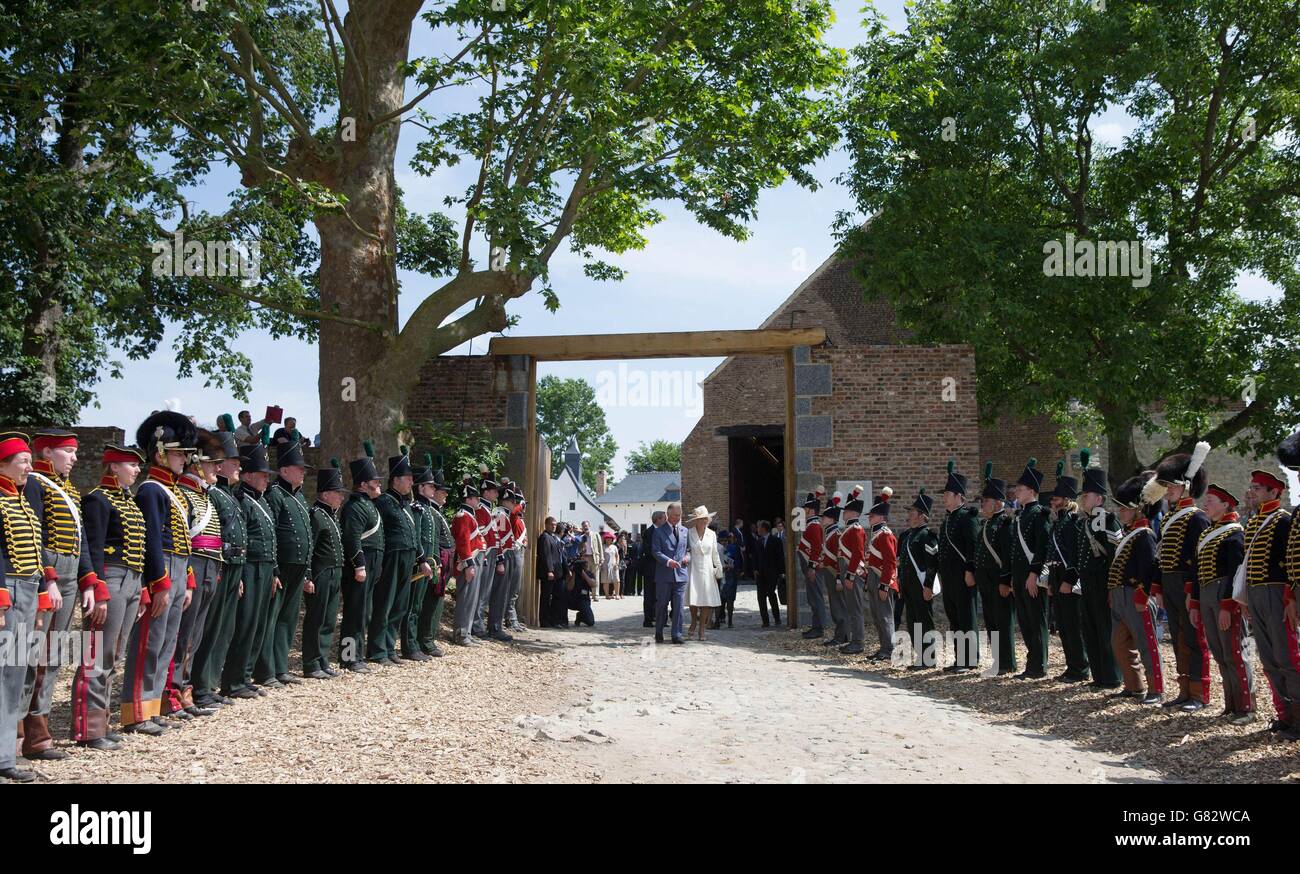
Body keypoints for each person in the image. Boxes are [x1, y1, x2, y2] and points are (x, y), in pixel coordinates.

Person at [20, 429, 97, 760]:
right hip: (47, 573)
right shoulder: (36, 483)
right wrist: (46, 580)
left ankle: (41, 729)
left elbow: (82, 542)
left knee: (52, 657)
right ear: (47, 453)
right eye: (68, 451)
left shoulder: (70, 491)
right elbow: (35, 536)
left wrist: (88, 582)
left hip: (68, 576)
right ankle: (24, 735)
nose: (75, 457)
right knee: (30, 656)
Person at [122, 412, 196, 733]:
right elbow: (151, 540)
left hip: (179, 567)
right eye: (180, 453)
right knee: (149, 643)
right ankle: (136, 711)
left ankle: (154, 707)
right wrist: (159, 582)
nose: (185, 460)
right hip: (162, 569)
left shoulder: (173, 490)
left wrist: (187, 579)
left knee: (167, 641)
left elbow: (184, 540)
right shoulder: (152, 490)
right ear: (161, 453)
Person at [71, 444, 145, 750]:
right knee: (97, 653)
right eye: (132, 465)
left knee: (114, 654)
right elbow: (93, 547)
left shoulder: (128, 502)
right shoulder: (97, 500)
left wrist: (139, 587)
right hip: (111, 579)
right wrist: (98, 588)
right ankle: (88, 729)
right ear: (113, 467)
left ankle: (101, 722)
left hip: (131, 579)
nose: (138, 470)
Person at [1148, 442, 1213, 711]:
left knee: (1194, 638)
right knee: (1177, 637)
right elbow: (1161, 555)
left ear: (1185, 486)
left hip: (1187, 584)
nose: (1168, 492)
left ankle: (1199, 692)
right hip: (1169, 582)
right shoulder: (1167, 519)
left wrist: (1191, 591)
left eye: (1173, 487)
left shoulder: (1196, 518)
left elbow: (1198, 560)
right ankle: (1184, 690)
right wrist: (1159, 587)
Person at [0, 433, 50, 781]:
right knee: (6, 675)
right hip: (10, 590)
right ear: (2, 464)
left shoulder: (21, 500)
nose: (29, 467)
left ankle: (5, 754)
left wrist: (43, 593)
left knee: (16, 674)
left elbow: (34, 551)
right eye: (22, 461)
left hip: (28, 590)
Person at [165, 429, 225, 718]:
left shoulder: (204, 496)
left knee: (195, 634)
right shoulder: (185, 494)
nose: (217, 469)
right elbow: (184, 541)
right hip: (193, 566)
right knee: (183, 633)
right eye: (212, 464)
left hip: (209, 567)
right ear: (197, 464)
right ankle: (172, 691)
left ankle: (185, 687)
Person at [190, 421, 245, 709]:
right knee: (209, 628)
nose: (238, 468)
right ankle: (200, 685)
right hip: (215, 566)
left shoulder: (228, 495)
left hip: (228, 565)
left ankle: (209, 684)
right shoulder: (213, 494)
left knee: (222, 629)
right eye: (232, 462)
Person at [1187, 483, 1252, 723]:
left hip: (1223, 594)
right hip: (1206, 595)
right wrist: (1195, 603)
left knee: (1235, 652)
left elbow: (1235, 573)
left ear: (1226, 505)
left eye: (1212, 500)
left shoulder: (1234, 533)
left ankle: (1246, 706)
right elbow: (1197, 571)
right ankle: (1231, 704)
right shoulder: (1207, 534)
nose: (1206, 503)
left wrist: (1228, 606)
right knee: (1220, 653)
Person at [220, 440, 279, 699]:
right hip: (249, 567)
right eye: (263, 475)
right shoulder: (240, 499)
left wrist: (275, 571)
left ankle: (245, 676)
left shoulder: (262, 501)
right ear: (249, 476)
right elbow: (239, 538)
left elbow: (271, 538)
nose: (267, 480)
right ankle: (233, 681)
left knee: (257, 625)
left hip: (265, 568)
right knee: (244, 625)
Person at [1241, 467, 1295, 737]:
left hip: (1276, 593)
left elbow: (1291, 564)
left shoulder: (1283, 521)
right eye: (1252, 487)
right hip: (1257, 594)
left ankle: (1298, 719)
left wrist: (1289, 597)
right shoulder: (1253, 522)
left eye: (1258, 488)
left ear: (1274, 492)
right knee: (1269, 659)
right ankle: (1283, 714)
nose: (1252, 491)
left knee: (1287, 657)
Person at [256, 438, 312, 688]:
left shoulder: (300, 497)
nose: (303, 472)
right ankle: (266, 670)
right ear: (285, 470)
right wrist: (275, 568)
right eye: (299, 468)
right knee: (272, 618)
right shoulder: (275, 494)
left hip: (299, 565)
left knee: (288, 618)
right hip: (282, 566)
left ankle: (281, 666)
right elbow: (271, 532)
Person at [1108, 472, 1165, 705]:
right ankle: (1134, 686)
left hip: (1136, 595)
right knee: (1119, 643)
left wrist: (1142, 594)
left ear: (1138, 510)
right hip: (1120, 596)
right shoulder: (1130, 534)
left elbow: (1149, 568)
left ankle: (1156, 689)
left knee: (1146, 645)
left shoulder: (1144, 535)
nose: (1120, 512)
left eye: (1124, 508)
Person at [368, 447, 425, 663]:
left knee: (400, 605)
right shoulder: (383, 502)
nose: (412, 483)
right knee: (385, 604)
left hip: (408, 557)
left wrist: (421, 560)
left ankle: (390, 648)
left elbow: (414, 534)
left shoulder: (406, 504)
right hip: (392, 558)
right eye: (408, 478)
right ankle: (377, 650)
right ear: (396, 480)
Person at [1074, 450, 1121, 689]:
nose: (1083, 498)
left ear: (1099, 499)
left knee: (1104, 628)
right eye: (1082, 495)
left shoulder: (1108, 520)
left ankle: (1112, 676)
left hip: (1103, 580)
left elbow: (1116, 554)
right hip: (1087, 582)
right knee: (1090, 628)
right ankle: (1098, 675)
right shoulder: (1085, 521)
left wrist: (1113, 585)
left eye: (1087, 495)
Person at [339, 443, 384, 667]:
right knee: (354, 614)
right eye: (375, 482)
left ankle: (357, 654)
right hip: (361, 564)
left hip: (372, 563)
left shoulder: (369, 504)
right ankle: (348, 657)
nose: (379, 485)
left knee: (364, 612)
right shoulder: (355, 507)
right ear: (364, 484)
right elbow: (352, 538)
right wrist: (359, 565)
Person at [303, 459, 347, 678]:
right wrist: (308, 576)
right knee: (316, 619)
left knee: (329, 619)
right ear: (326, 494)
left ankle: (322, 660)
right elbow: (310, 548)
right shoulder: (317, 515)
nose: (341, 497)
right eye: (338, 492)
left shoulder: (331, 515)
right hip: (321, 574)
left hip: (334, 573)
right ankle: (311, 663)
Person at [1047, 462, 1089, 683]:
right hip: (1057, 575)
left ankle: (1080, 667)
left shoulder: (1072, 522)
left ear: (1066, 500)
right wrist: (1053, 581)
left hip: (1068, 577)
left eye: (1055, 499)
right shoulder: (1060, 522)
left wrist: (1069, 580)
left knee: (1072, 625)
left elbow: (1074, 554)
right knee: (1063, 625)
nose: (1052, 502)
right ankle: (1072, 665)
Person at [1010, 458, 1051, 680]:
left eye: (1021, 489)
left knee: (1036, 621)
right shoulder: (1021, 515)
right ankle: (1031, 663)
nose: (1016, 492)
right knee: (1025, 622)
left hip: (1031, 577)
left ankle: (1039, 664)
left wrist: (1034, 574)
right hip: (1020, 577)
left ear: (1032, 491)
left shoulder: (1039, 514)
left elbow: (1041, 546)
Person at [975, 464, 1016, 675]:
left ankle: (1007, 662)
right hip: (986, 579)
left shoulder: (1005, 524)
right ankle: (998, 660)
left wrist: (1005, 581)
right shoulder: (987, 524)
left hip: (998, 578)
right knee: (991, 620)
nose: (983, 505)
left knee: (1002, 620)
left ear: (999, 502)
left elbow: (1008, 556)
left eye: (987, 501)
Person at [939, 461, 979, 671]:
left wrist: (970, 571)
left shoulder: (967, 517)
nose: (944, 497)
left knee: (966, 618)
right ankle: (959, 658)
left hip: (963, 575)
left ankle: (970, 659)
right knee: (954, 618)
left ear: (958, 496)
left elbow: (973, 546)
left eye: (947, 494)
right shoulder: (947, 520)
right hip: (949, 576)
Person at [407, 461, 446, 658]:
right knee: (413, 606)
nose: (434, 489)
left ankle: (419, 643)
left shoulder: (430, 510)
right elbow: (417, 538)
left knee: (420, 605)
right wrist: (422, 560)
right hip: (419, 564)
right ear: (421, 487)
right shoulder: (417, 508)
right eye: (430, 486)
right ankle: (410, 646)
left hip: (429, 564)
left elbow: (434, 539)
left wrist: (436, 561)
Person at [896, 490, 937, 668]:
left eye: (912, 512)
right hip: (907, 586)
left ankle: (929, 659)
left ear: (921, 516)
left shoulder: (928, 536)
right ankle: (921, 656)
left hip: (921, 586)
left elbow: (932, 564)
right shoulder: (906, 536)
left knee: (924, 622)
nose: (908, 515)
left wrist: (928, 586)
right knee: (912, 622)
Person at [862, 488, 900, 662]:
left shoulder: (885, 535)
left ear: (882, 517)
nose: (870, 517)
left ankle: (889, 649)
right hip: (874, 578)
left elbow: (890, 563)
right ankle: (884, 648)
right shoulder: (877, 534)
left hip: (882, 580)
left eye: (873, 514)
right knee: (877, 616)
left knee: (885, 616)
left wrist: (884, 584)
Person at [451, 475, 485, 646]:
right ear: (469, 498)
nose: (479, 500)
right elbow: (463, 542)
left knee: (472, 598)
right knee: (466, 598)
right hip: (467, 563)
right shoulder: (463, 515)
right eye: (476, 497)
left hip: (473, 560)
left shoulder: (469, 515)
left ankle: (467, 632)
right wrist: (469, 565)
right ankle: (461, 634)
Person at [836, 489, 870, 655]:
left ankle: (858, 642)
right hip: (849, 571)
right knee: (851, 607)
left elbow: (857, 554)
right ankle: (853, 640)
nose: (844, 513)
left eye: (847, 511)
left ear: (853, 513)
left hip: (854, 573)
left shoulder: (856, 529)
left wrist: (849, 575)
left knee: (856, 608)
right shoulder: (849, 529)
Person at [652, 503, 689, 644]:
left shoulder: (685, 531)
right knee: (662, 604)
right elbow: (656, 551)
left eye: (679, 515)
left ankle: (677, 634)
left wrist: (687, 558)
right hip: (664, 574)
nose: (677, 518)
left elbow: (689, 550)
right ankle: (659, 631)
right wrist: (668, 562)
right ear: (668, 515)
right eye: (675, 515)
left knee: (679, 606)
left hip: (680, 574)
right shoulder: (659, 531)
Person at [684, 505, 723, 640]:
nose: (702, 521)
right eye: (700, 519)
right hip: (693, 568)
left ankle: (702, 628)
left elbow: (715, 553)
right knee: (693, 600)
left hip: (707, 568)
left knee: (706, 600)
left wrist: (718, 568)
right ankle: (694, 621)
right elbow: (685, 551)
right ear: (695, 520)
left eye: (705, 519)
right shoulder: (689, 533)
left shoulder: (711, 534)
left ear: (708, 520)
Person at [796, 490, 829, 640]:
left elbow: (816, 548)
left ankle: (819, 628)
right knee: (812, 598)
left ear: (810, 510)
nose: (803, 511)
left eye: (805, 508)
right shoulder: (811, 524)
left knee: (816, 597)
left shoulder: (814, 525)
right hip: (811, 567)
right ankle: (816, 626)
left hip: (813, 568)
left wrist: (811, 567)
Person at [818, 496, 846, 647]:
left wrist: (838, 578)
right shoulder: (829, 533)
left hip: (834, 573)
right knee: (835, 605)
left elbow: (838, 559)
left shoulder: (835, 534)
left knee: (838, 606)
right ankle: (842, 634)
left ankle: (841, 636)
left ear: (833, 519)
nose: (823, 519)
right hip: (829, 572)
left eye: (825, 517)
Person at [754, 520, 783, 627]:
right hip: (760, 573)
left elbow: (780, 557)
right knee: (761, 597)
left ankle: (777, 618)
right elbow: (755, 556)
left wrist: (781, 572)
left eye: (759, 527)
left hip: (772, 573)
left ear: (764, 528)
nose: (757, 529)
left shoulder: (776, 540)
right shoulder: (758, 541)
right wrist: (755, 569)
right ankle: (765, 621)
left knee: (771, 594)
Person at [537, 516, 565, 628]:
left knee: (555, 597)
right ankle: (544, 621)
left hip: (556, 573)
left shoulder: (552, 537)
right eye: (551, 524)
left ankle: (552, 619)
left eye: (555, 524)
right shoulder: (545, 537)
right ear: (546, 524)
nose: (554, 526)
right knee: (546, 597)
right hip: (548, 573)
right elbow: (546, 555)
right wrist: (549, 570)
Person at [642, 513, 666, 628]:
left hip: (662, 568)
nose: (666, 520)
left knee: (662, 595)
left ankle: (662, 619)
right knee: (649, 595)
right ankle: (648, 619)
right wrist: (659, 556)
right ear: (657, 519)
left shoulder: (665, 531)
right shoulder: (648, 532)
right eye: (664, 518)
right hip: (651, 568)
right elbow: (647, 550)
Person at [716, 531, 740, 628]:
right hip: (719, 576)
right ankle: (718, 620)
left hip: (731, 576)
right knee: (719, 599)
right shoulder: (716, 549)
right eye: (722, 540)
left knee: (730, 599)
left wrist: (733, 566)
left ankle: (730, 621)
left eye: (726, 540)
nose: (724, 542)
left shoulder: (733, 548)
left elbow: (738, 562)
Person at [568, 555, 597, 627]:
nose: (585, 566)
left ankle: (580, 616)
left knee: (590, 622)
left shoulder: (589, 574)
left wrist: (584, 575)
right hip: (571, 599)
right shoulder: (571, 574)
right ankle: (562, 619)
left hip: (583, 600)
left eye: (585, 564)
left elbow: (593, 584)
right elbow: (569, 588)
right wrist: (573, 575)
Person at [601, 530, 621, 599]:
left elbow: (617, 555)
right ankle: (607, 595)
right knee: (606, 581)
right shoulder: (602, 546)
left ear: (612, 539)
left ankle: (617, 594)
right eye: (607, 538)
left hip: (614, 565)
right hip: (605, 565)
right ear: (605, 539)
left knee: (617, 580)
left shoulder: (614, 547)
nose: (608, 539)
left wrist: (617, 563)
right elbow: (601, 556)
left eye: (610, 538)